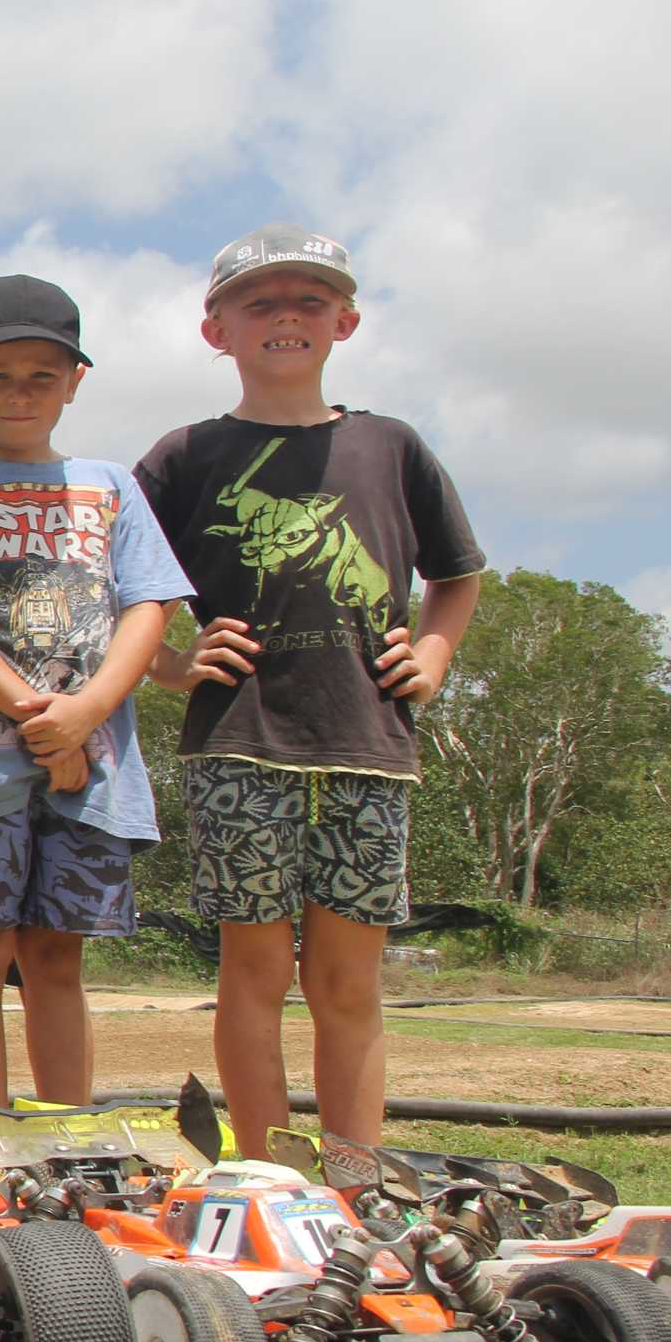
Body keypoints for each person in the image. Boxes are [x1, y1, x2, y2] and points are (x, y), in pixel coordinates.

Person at [136, 226, 482, 1163]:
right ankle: (265, 1175)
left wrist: (438, 654)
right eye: (261, 302)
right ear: (218, 331)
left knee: (349, 983)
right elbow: (119, 590)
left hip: (369, 743)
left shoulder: (392, 446)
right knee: (252, 971)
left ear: (346, 321)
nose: (286, 315)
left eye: (309, 300)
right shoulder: (183, 457)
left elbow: (456, 575)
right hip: (239, 742)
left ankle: (354, 1176)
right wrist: (170, 664)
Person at [0, 276, 189, 1107]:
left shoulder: (111, 484)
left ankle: (68, 1134)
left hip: (95, 765)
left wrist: (86, 716)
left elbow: (148, 608)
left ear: (75, 382)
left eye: (42, 375)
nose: (20, 393)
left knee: (58, 955)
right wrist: (43, 724)